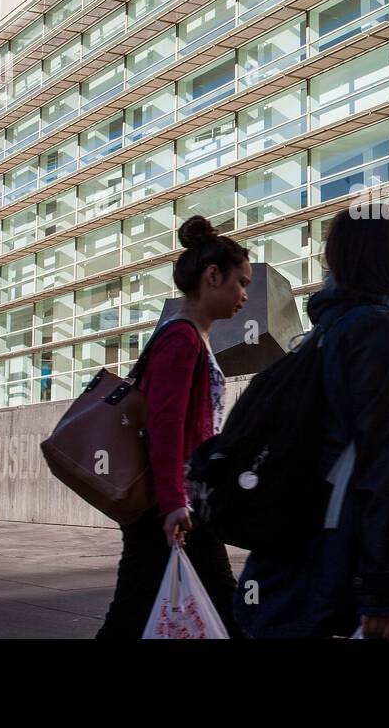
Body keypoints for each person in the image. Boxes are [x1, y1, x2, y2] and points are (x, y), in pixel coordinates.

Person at [234, 204, 389, 639]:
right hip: (342, 559)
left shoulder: (329, 330)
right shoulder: (379, 331)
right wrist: (384, 592)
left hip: (301, 551)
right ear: (385, 257)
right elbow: (382, 468)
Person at [95, 216, 251, 639]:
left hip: (177, 501)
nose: (244, 295)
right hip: (170, 506)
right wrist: (172, 504)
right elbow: (164, 426)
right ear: (213, 276)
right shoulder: (181, 338)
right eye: (241, 282)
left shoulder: (188, 336)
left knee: (139, 611)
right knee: (217, 604)